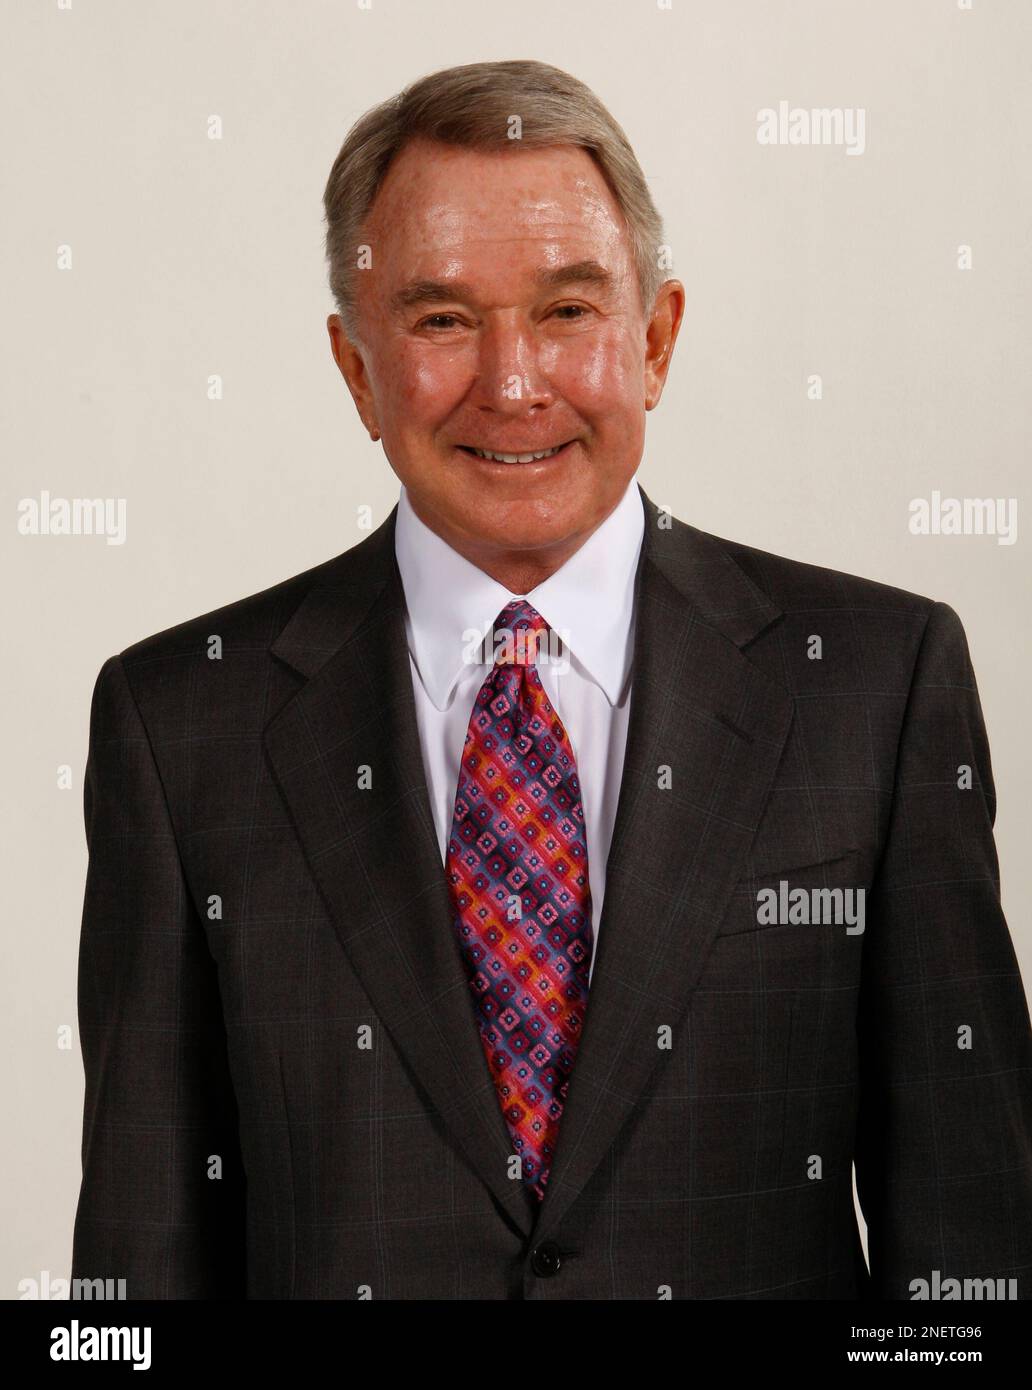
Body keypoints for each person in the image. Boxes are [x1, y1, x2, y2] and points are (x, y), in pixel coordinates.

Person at [72, 59, 1032, 1300]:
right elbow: (139, 1278)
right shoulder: (180, 723)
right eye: (442, 319)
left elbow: (974, 1248)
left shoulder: (876, 685)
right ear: (357, 368)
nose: (513, 383)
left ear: (657, 339)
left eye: (568, 310)